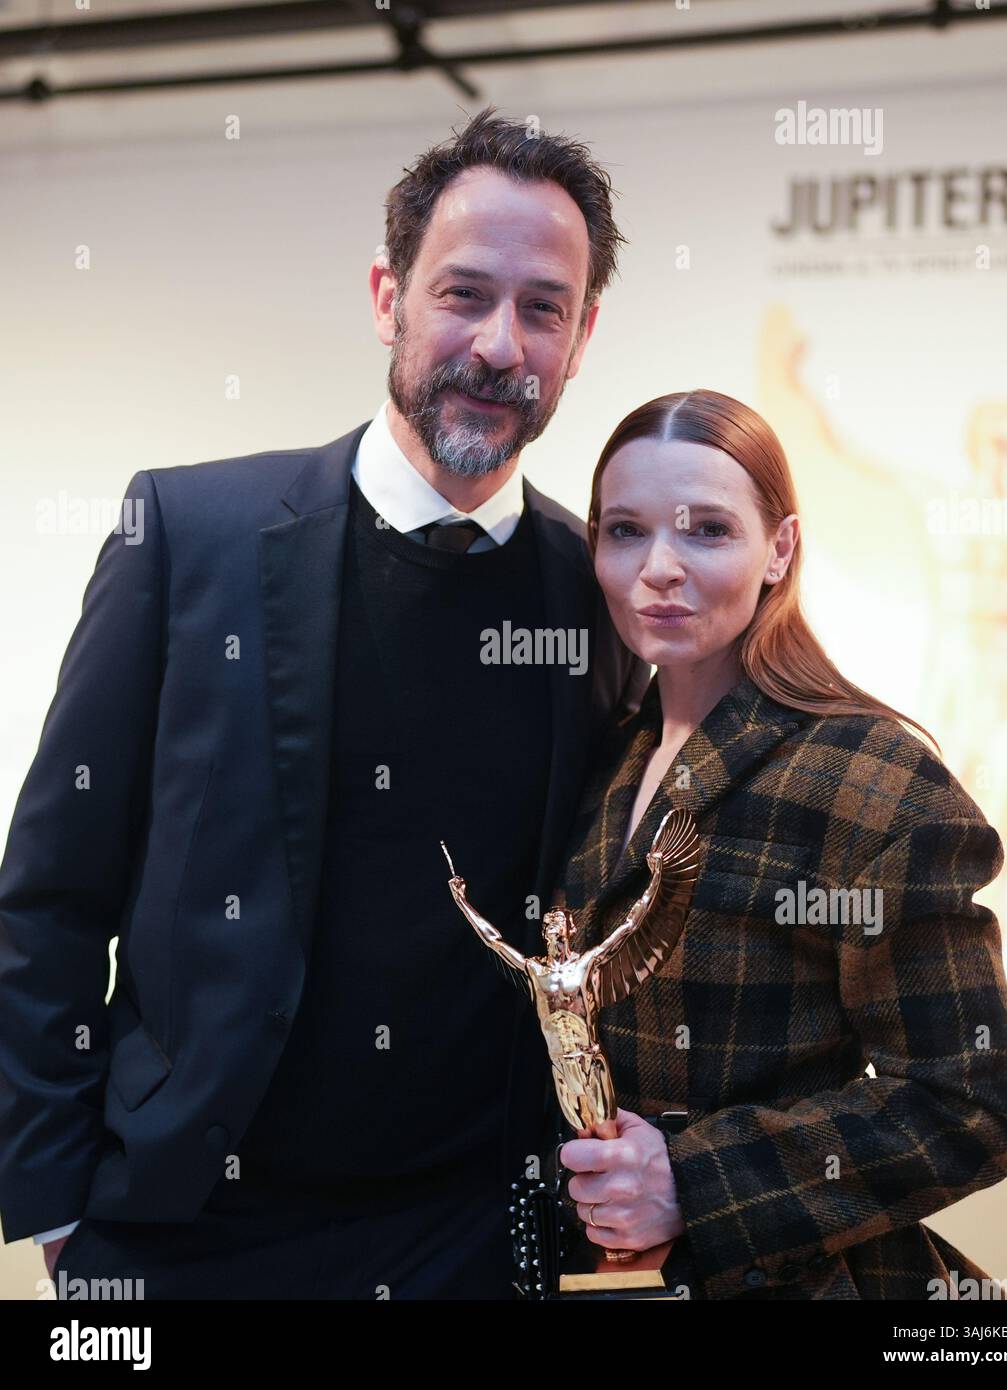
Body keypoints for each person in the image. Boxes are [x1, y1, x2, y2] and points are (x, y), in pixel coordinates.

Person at [0, 107, 648, 1300]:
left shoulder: (599, 593)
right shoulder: (186, 537)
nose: (501, 344)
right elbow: (47, 893)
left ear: (584, 332)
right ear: (386, 295)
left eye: (544, 308)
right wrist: (55, 1209)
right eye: (463, 294)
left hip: (468, 1238)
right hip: (182, 1231)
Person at [552, 388, 1007, 1300]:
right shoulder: (603, 760)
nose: (659, 567)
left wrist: (692, 1183)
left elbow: (973, 1105)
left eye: (706, 530)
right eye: (626, 531)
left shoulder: (876, 779)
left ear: (780, 548)